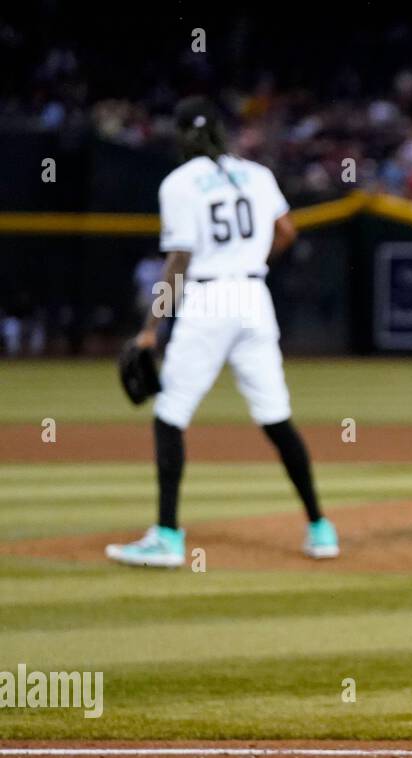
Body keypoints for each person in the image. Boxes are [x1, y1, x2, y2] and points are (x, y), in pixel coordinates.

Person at [106, 96, 338, 568]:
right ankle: (320, 528)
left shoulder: (179, 183)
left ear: (182, 137)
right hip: (254, 299)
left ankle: (168, 537)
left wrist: (151, 330)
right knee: (276, 418)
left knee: (170, 413)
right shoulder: (258, 174)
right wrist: (252, 265)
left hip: (208, 301)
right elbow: (288, 231)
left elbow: (179, 260)